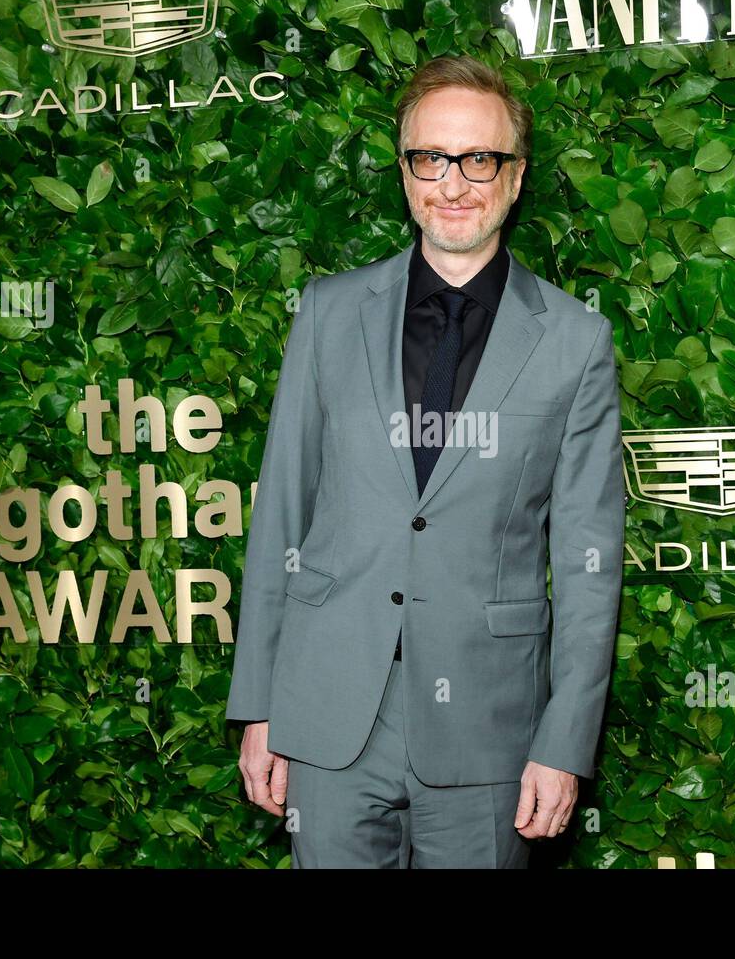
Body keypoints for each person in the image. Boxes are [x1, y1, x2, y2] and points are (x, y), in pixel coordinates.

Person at [224, 54, 625, 868]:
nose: (455, 183)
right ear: (404, 173)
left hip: (489, 729)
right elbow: (282, 520)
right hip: (328, 714)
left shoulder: (576, 341)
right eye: (431, 158)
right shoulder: (329, 313)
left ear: (515, 177)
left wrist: (565, 742)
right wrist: (260, 707)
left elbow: (589, 564)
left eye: (480, 158)